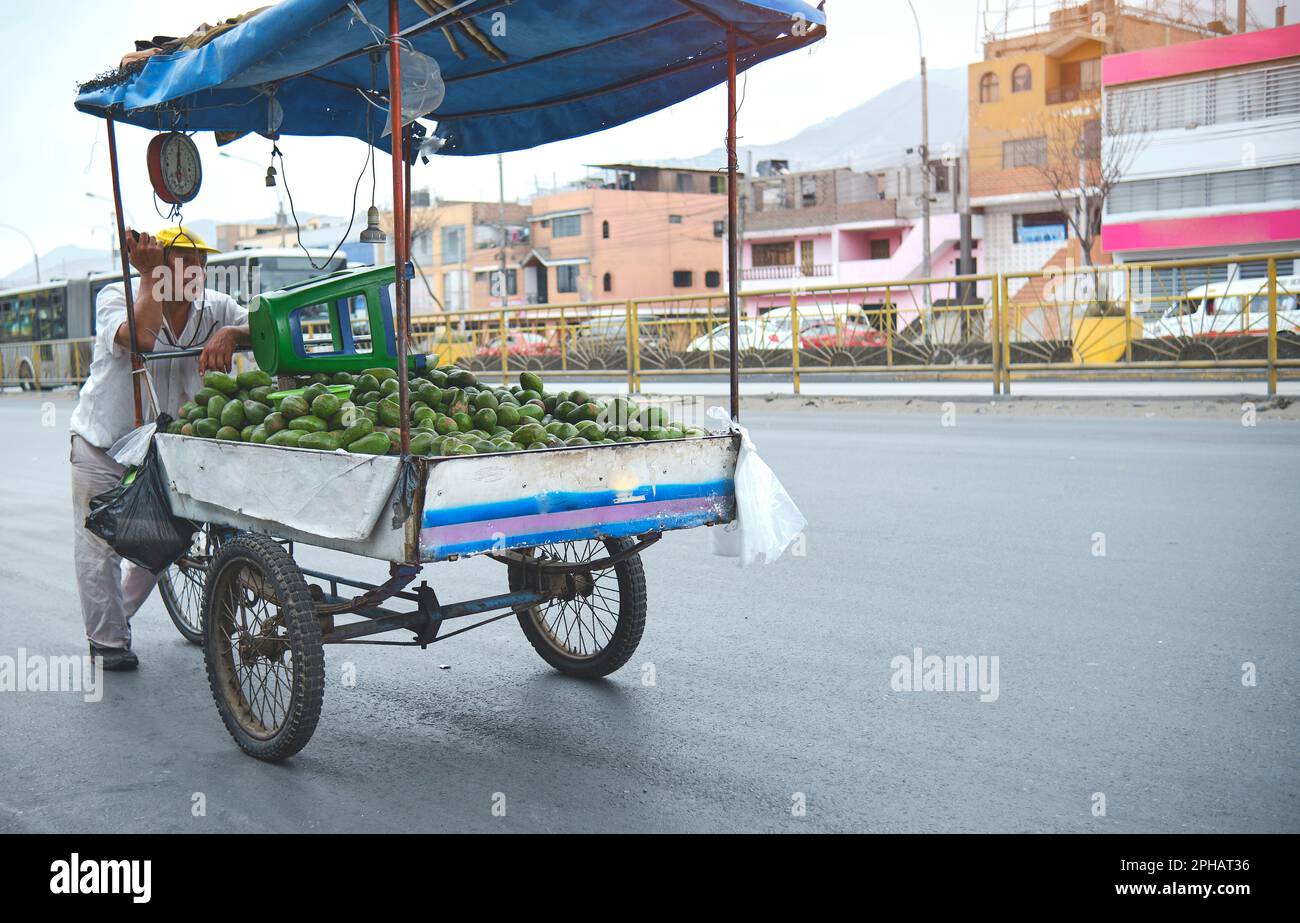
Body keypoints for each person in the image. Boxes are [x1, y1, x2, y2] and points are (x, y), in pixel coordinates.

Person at [69, 226, 250, 671]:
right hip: (104, 444)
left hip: (166, 450)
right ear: (161, 265)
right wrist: (148, 279)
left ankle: (117, 616)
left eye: (201, 262)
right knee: (99, 546)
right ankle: (108, 640)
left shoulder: (216, 308)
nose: (196, 271)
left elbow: (262, 326)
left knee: (163, 540)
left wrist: (230, 332)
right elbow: (143, 340)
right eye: (184, 261)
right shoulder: (117, 296)